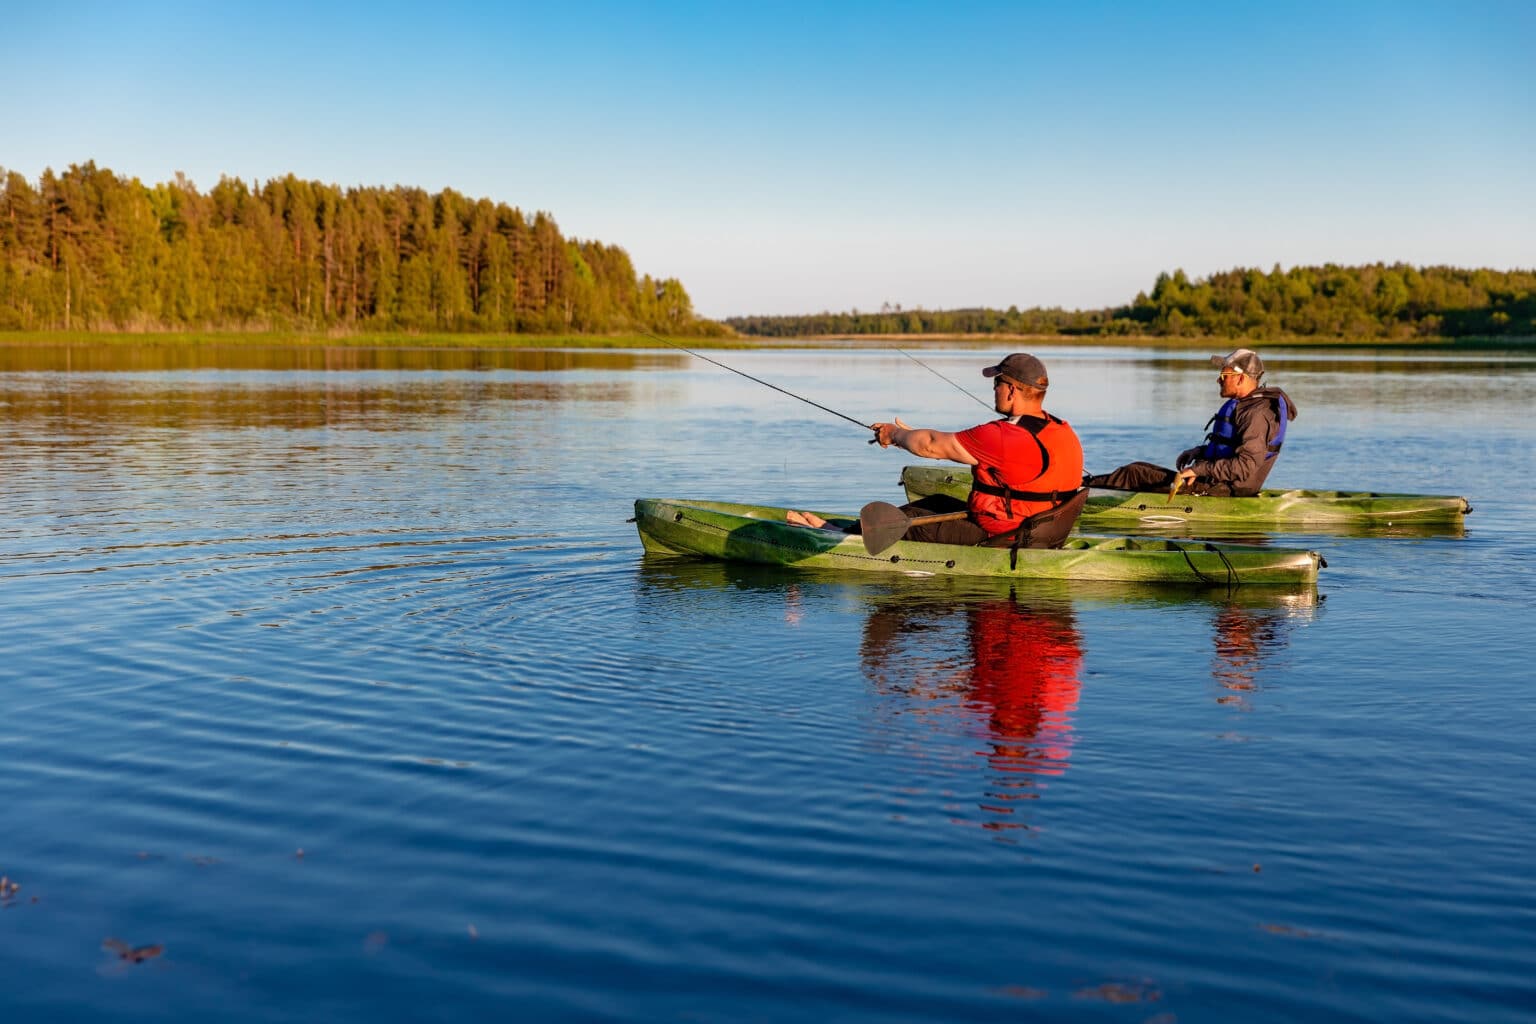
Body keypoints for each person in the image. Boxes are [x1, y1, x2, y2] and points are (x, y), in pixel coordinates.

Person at [788, 353, 1086, 547]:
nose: (993, 388)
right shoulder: (1063, 430)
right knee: (938, 502)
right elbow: (950, 447)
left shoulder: (1002, 436)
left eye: (997, 382)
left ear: (1011, 389)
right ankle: (853, 529)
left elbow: (931, 446)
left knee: (915, 527)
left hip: (1002, 535)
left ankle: (839, 538)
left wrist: (893, 434)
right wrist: (908, 435)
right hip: (1039, 530)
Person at [1084, 348, 1298, 497]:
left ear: (1241, 379)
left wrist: (1199, 470)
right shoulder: (1248, 406)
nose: (1218, 380)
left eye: (1224, 375)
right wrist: (1200, 452)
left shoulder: (1256, 414)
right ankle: (1085, 487)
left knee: (1133, 474)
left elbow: (1245, 466)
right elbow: (1233, 450)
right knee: (1137, 469)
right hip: (1218, 483)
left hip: (1225, 490)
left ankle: (1079, 493)